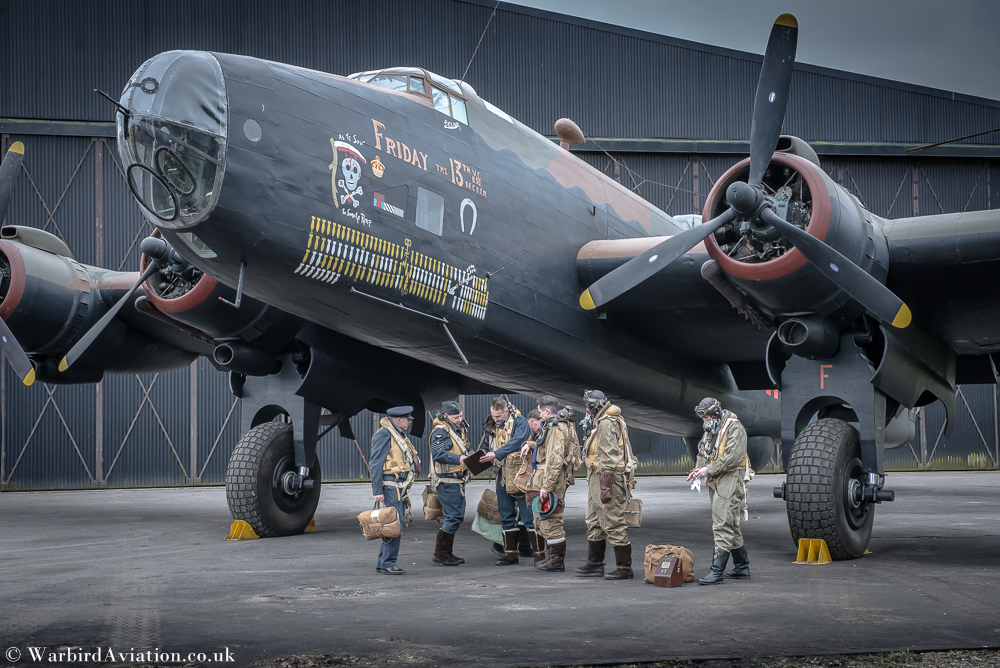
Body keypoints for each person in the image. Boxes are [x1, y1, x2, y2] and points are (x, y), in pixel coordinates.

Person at [685, 397, 751, 585]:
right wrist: (698, 470)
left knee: (721, 523)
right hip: (717, 479)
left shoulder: (734, 428)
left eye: (706, 418)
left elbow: (734, 457)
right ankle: (742, 567)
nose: (704, 422)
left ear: (715, 414)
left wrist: (708, 470)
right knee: (730, 524)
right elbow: (703, 451)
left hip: (731, 477)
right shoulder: (711, 429)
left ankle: (717, 571)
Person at [575, 390, 637, 581]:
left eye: (588, 406)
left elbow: (608, 455)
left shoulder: (607, 423)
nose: (587, 409)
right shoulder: (603, 421)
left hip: (607, 477)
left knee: (612, 521)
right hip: (596, 475)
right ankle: (595, 563)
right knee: (593, 519)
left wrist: (605, 487)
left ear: (595, 405)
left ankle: (624, 567)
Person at [524, 395, 581, 572]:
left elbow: (555, 459)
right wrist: (532, 444)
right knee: (542, 519)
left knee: (551, 520)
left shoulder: (556, 427)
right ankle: (551, 558)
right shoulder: (553, 425)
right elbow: (547, 447)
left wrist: (546, 487)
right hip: (544, 477)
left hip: (550, 480)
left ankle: (556, 561)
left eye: (540, 412)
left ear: (547, 410)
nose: (540, 415)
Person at [480, 397, 537, 565]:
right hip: (502, 474)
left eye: (498, 416)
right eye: (493, 416)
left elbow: (517, 441)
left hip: (519, 475)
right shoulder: (491, 423)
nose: (495, 419)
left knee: (528, 516)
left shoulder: (519, 421)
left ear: (506, 411)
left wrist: (496, 454)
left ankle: (539, 554)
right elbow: (487, 443)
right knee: (506, 514)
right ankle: (510, 554)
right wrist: (481, 456)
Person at [371, 406, 421, 575]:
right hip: (391, 487)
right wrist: (377, 490)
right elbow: (376, 463)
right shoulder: (385, 434)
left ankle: (382, 562)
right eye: (407, 419)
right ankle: (388, 563)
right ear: (398, 420)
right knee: (394, 525)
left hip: (399, 487)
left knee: (392, 524)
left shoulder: (398, 434)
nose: (409, 422)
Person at [428, 401, 472, 566]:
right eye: (456, 417)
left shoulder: (457, 429)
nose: (459, 419)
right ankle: (441, 554)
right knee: (453, 517)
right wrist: (458, 458)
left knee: (456, 516)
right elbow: (438, 454)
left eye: (460, 415)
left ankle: (446, 552)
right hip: (447, 481)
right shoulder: (440, 432)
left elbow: (464, 448)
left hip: (456, 480)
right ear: (445, 416)